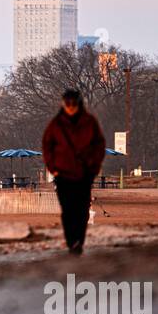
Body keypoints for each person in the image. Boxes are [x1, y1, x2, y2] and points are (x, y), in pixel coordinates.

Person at [42, 88, 106, 254]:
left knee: (82, 210)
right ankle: (73, 242)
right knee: (68, 210)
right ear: (63, 104)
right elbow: (47, 147)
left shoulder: (89, 122)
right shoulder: (55, 125)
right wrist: (53, 168)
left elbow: (99, 145)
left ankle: (78, 241)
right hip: (63, 173)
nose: (70, 107)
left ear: (78, 104)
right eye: (68, 104)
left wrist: (93, 167)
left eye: (73, 104)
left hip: (84, 173)